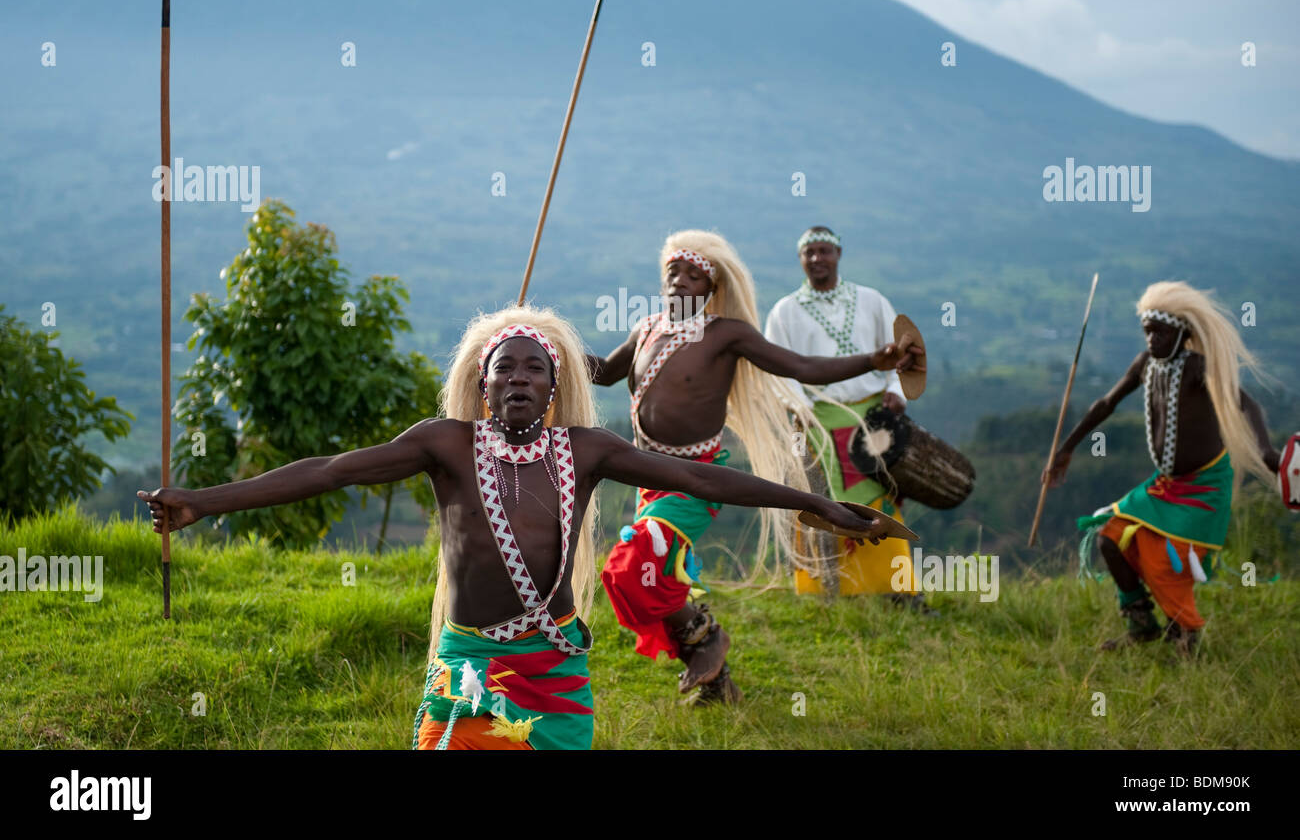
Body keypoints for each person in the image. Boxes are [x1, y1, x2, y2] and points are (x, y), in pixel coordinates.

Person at [139, 304, 886, 749]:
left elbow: (697, 476)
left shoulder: (586, 451)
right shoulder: (446, 444)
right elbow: (332, 468)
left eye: (536, 369)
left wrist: (813, 504)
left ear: (556, 390)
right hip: (467, 661)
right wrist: (209, 500)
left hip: (555, 665)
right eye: (508, 370)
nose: (522, 378)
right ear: (484, 384)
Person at [586, 230, 919, 703]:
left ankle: (709, 641)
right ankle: (718, 685)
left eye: (693, 275)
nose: (679, 281)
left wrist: (873, 360)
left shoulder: (727, 334)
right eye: (672, 273)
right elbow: (600, 372)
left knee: (631, 567)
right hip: (648, 480)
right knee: (654, 575)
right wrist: (545, 343)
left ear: (711, 285)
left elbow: (802, 367)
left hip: (697, 478)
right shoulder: (646, 329)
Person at [1043, 282, 1282, 654]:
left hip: (1203, 487)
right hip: (1164, 486)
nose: (1152, 339)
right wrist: (1066, 448)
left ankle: (1186, 633)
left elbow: (1246, 405)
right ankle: (1141, 623)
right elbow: (1105, 403)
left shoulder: (1198, 368)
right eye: (1148, 331)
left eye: (1161, 331)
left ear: (1183, 332)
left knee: (1166, 563)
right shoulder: (1145, 365)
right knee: (1110, 539)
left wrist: (1267, 451)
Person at [764, 226, 927, 606]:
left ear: (839, 255)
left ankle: (897, 592)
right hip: (815, 421)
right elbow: (776, 372)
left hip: (872, 422)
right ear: (801, 259)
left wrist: (895, 390)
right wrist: (799, 406)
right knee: (819, 504)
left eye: (825, 251)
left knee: (880, 501)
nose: (817, 258)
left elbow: (900, 355)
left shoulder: (871, 301)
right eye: (810, 252)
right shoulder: (784, 311)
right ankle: (828, 595)